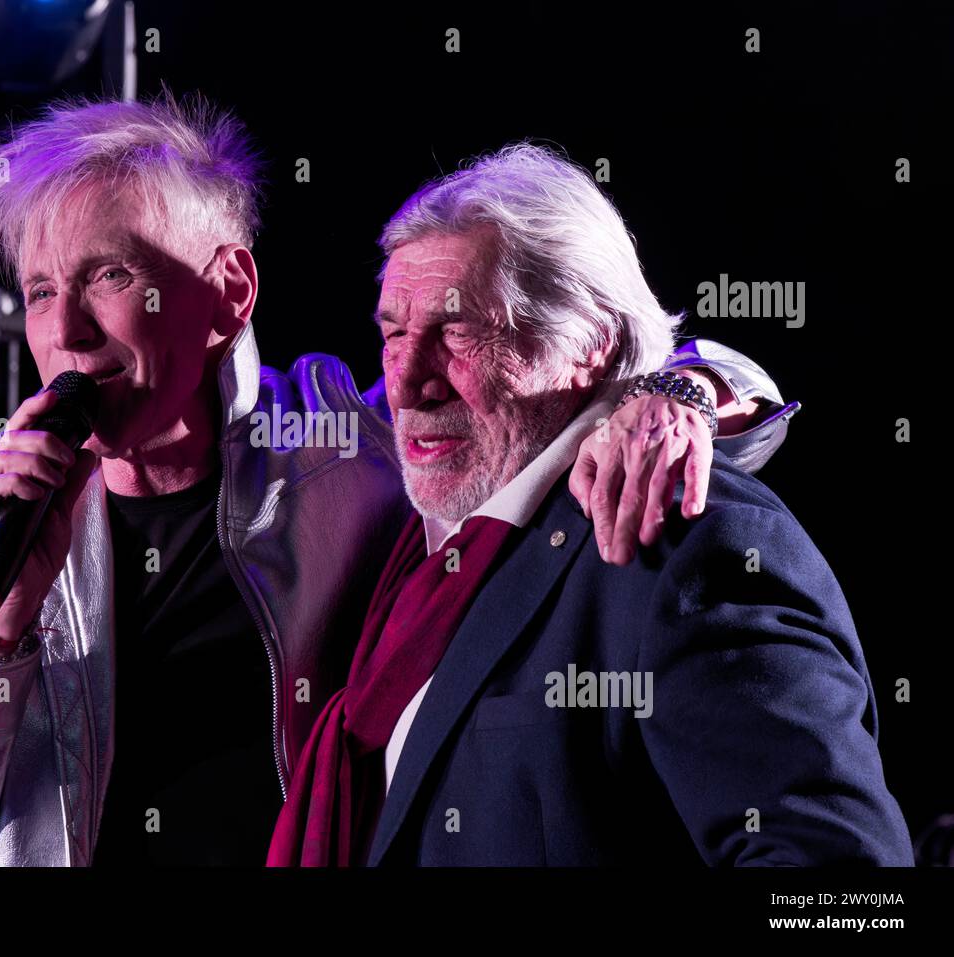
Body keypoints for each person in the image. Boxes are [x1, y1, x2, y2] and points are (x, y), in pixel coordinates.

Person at [0, 94, 793, 866]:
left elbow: (572, 383)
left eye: (110, 276)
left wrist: (682, 390)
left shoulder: (345, 441)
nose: (65, 331)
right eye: (42, 289)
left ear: (229, 293)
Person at [267, 142, 911, 866]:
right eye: (392, 331)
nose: (408, 381)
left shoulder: (684, 540)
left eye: (459, 330)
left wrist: (679, 384)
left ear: (590, 345)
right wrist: (689, 381)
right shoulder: (431, 527)